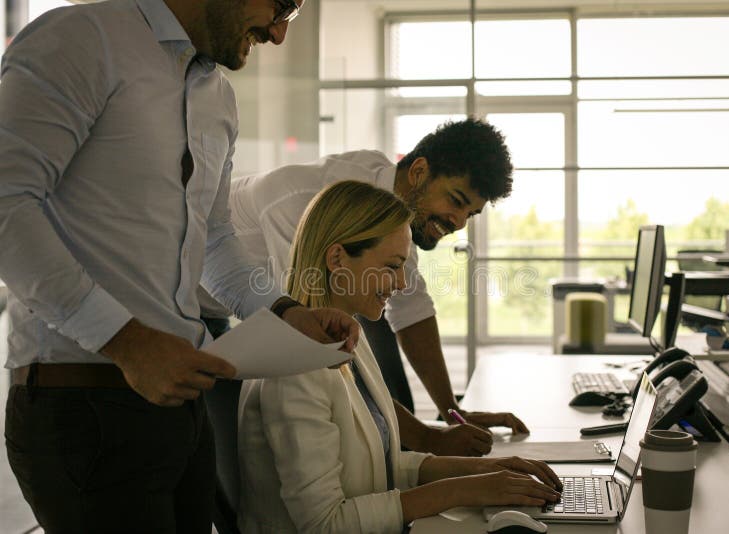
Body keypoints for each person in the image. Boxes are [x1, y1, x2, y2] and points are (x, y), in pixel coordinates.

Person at [0, 0, 358, 532]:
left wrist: (284, 312)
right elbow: (7, 201)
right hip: (82, 401)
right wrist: (128, 341)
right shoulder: (83, 38)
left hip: (181, 402)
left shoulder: (217, 96)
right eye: (281, 5)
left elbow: (214, 241)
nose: (280, 34)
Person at [238, 181, 562, 533]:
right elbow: (325, 524)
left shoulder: (349, 337)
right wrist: (464, 489)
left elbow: (381, 464)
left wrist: (487, 472)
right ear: (337, 259)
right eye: (392, 266)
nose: (402, 283)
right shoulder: (295, 367)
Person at [211, 118, 528, 456]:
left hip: (238, 307)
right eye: (456, 200)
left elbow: (412, 312)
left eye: (472, 214)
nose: (459, 222)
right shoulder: (307, 202)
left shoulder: (391, 213)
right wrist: (428, 439)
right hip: (186, 302)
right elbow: (313, 340)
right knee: (215, 453)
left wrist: (453, 413)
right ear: (419, 171)